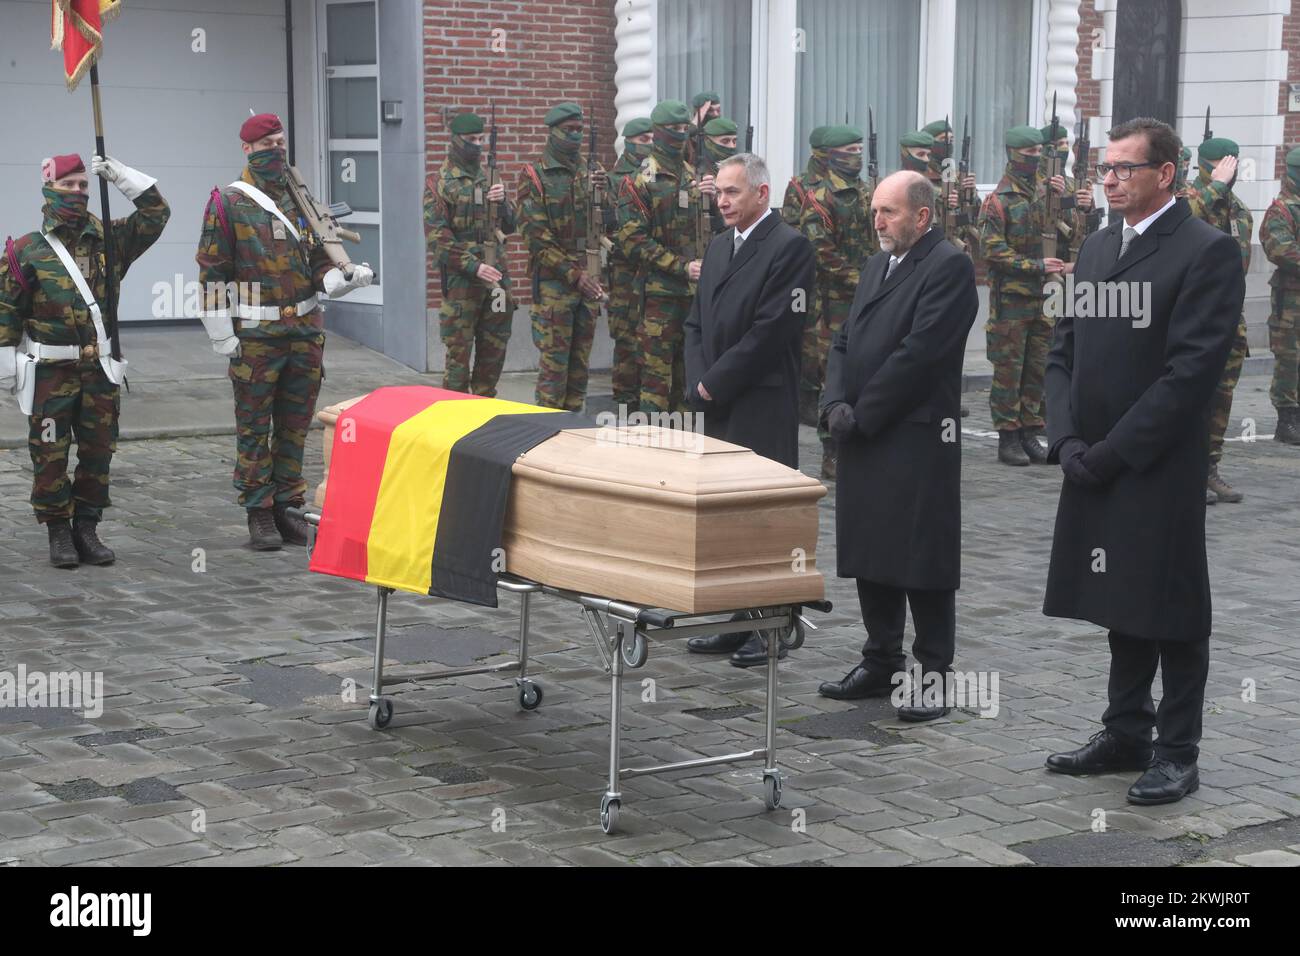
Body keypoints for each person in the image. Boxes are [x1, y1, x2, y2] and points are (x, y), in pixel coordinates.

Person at [1042, 117, 1244, 805]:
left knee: (1173, 605)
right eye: (1106, 167)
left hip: (1154, 465)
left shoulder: (1205, 251)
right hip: (1090, 458)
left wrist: (1114, 452)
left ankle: (1177, 751)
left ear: (1165, 174)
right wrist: (1066, 439)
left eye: (1125, 167)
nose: (1109, 178)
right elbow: (1062, 350)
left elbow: (1189, 377)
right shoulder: (1096, 248)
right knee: (1119, 596)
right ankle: (1127, 729)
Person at [816, 171, 978, 721]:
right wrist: (834, 403)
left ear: (922, 216)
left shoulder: (948, 266)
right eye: (875, 212)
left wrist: (863, 414)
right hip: (860, 432)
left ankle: (933, 673)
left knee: (920, 556)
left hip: (913, 438)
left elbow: (921, 353)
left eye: (888, 212)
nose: (878, 222)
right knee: (871, 549)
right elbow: (844, 339)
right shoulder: (876, 264)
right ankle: (880, 658)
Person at [197, 112, 373, 551]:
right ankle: (259, 512)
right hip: (257, 336)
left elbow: (316, 258)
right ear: (247, 150)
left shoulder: (299, 197)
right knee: (255, 427)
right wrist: (222, 334)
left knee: (295, 426)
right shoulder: (228, 202)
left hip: (304, 331)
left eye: (280, 142)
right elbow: (214, 272)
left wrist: (338, 278)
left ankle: (288, 507)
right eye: (266, 144)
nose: (276, 150)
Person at [1, 153, 169, 567]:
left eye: (83, 185)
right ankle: (58, 530)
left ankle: (87, 528)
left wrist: (124, 177)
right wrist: (6, 361)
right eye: (68, 185)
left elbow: (157, 214)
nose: (77, 193)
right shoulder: (26, 250)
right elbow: (6, 309)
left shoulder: (110, 240)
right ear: (48, 189)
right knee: (49, 451)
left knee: (98, 451)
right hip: (49, 374)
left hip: (99, 370)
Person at [684, 153, 815, 668]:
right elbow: (697, 320)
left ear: (762, 193)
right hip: (717, 402)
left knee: (764, 518)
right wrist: (699, 382)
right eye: (718, 193)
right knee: (726, 517)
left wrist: (715, 381)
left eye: (732, 192)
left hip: (760, 401)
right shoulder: (719, 246)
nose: (722, 202)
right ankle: (734, 620)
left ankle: (772, 628)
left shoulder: (789, 247)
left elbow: (772, 329)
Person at [614, 99, 721, 413]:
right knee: (656, 384)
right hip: (657, 296)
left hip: (694, 295)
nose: (679, 135)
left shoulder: (692, 175)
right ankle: (651, 451)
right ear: (658, 133)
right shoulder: (640, 181)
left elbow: (713, 230)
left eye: (683, 128)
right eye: (672, 130)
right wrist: (681, 267)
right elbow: (633, 241)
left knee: (689, 380)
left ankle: (683, 450)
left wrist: (714, 200)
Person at [978, 125, 1067, 466]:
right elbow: (992, 251)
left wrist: (1062, 196)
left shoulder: (1045, 194)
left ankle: (1030, 432)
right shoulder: (999, 201)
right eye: (1029, 155)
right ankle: (1008, 438)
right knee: (1008, 372)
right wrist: (1034, 265)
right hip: (1011, 303)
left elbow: (1067, 229)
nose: (1035, 160)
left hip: (1043, 299)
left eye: (1038, 154)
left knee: (1037, 368)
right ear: (1014, 155)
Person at [798, 125, 878, 479]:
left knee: (867, 370)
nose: (857, 155)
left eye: (860, 148)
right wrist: (858, 279)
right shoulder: (819, 195)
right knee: (834, 377)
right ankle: (831, 450)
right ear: (831, 154)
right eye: (850, 149)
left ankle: (860, 440)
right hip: (833, 303)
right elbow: (817, 247)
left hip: (871, 297)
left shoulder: (865, 191)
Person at [518, 102, 608, 411]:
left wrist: (604, 194)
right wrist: (575, 275)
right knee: (554, 370)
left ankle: (572, 432)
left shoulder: (592, 171)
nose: (576, 136)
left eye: (579, 130)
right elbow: (537, 240)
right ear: (552, 132)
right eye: (568, 130)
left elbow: (609, 225)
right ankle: (544, 432)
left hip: (589, 281)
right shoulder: (535, 175)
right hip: (555, 287)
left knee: (580, 367)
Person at [424, 110, 517, 397]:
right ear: (456, 140)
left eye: (480, 138)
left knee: (494, 351)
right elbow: (437, 237)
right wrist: (473, 266)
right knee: (458, 359)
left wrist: (502, 204)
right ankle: (454, 421)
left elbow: (511, 225)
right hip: (462, 284)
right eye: (471, 139)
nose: (477, 144)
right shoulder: (440, 183)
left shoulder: (491, 176)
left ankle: (485, 413)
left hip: (498, 283)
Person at [1185, 136, 1253, 504]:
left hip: (1229, 316)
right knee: (1193, 395)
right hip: (1195, 317)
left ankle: (1210, 468)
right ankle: (1187, 472)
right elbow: (1181, 220)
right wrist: (1213, 189)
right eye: (1228, 163)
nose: (1235, 170)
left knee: (1222, 396)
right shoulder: (1187, 198)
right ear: (1208, 166)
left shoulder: (1239, 210)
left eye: (1237, 163)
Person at [782, 126, 830, 427]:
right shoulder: (799, 186)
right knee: (809, 338)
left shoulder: (854, 186)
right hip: (807, 276)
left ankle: (819, 395)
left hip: (836, 284)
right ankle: (806, 398)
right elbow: (789, 226)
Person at [605, 117, 653, 410]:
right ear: (631, 141)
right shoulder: (615, 180)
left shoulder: (655, 175)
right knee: (626, 340)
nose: (651, 145)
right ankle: (625, 406)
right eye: (645, 140)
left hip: (650, 272)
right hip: (625, 274)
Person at [1259, 145, 1300, 445]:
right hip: (1290, 301)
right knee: (1289, 357)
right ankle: (1286, 420)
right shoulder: (1282, 209)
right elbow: (1280, 249)